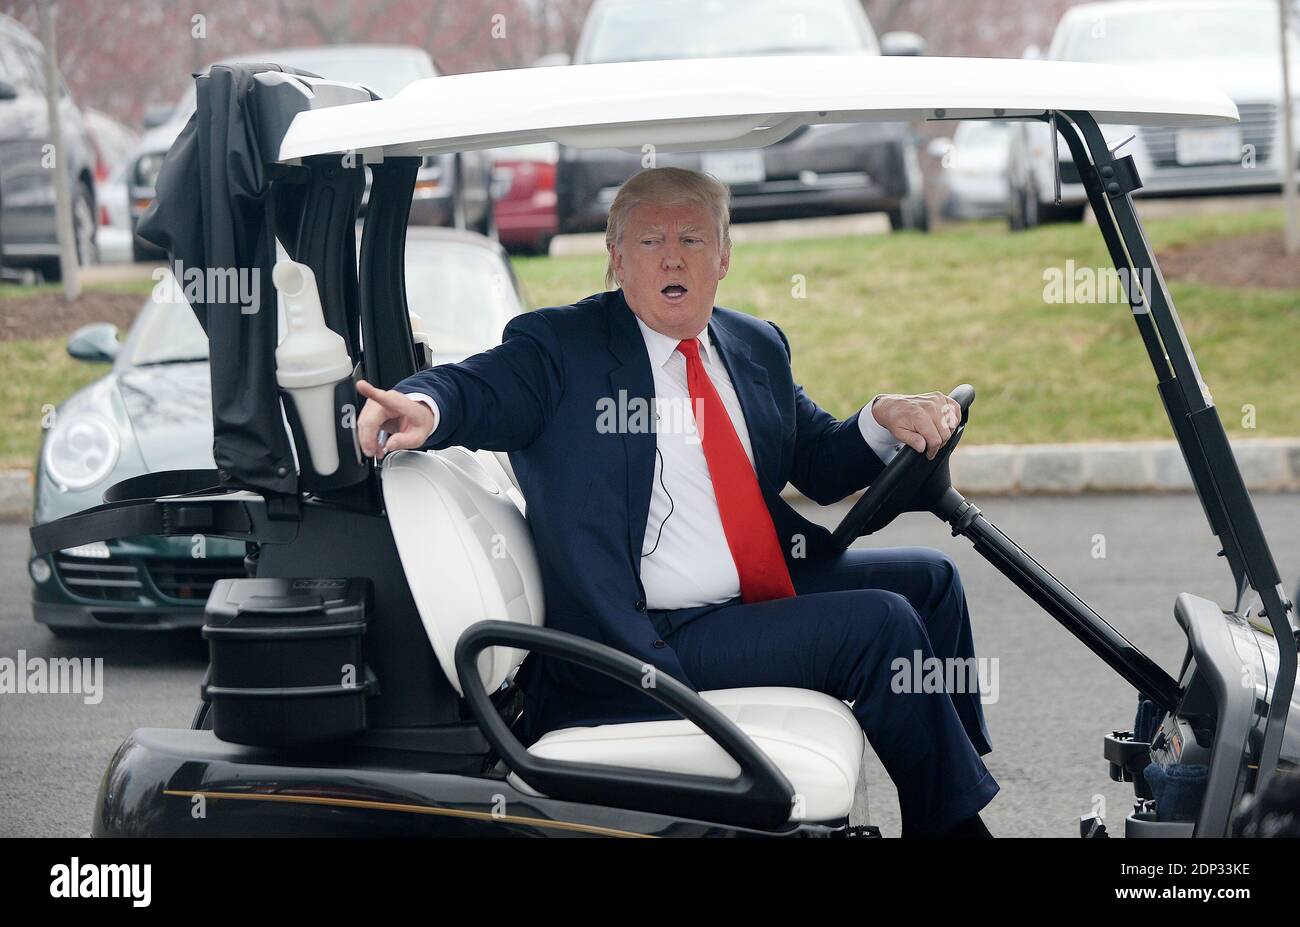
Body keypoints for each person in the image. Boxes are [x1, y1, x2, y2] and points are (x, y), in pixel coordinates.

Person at [356, 166, 996, 837]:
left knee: (932, 581)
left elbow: (821, 460)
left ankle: (951, 789)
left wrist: (879, 416)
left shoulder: (754, 345)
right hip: (650, 637)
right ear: (616, 260)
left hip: (752, 595)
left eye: (691, 239)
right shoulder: (562, 349)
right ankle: (957, 827)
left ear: (723, 257)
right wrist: (426, 406)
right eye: (648, 241)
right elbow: (476, 388)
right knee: (883, 626)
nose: (671, 256)